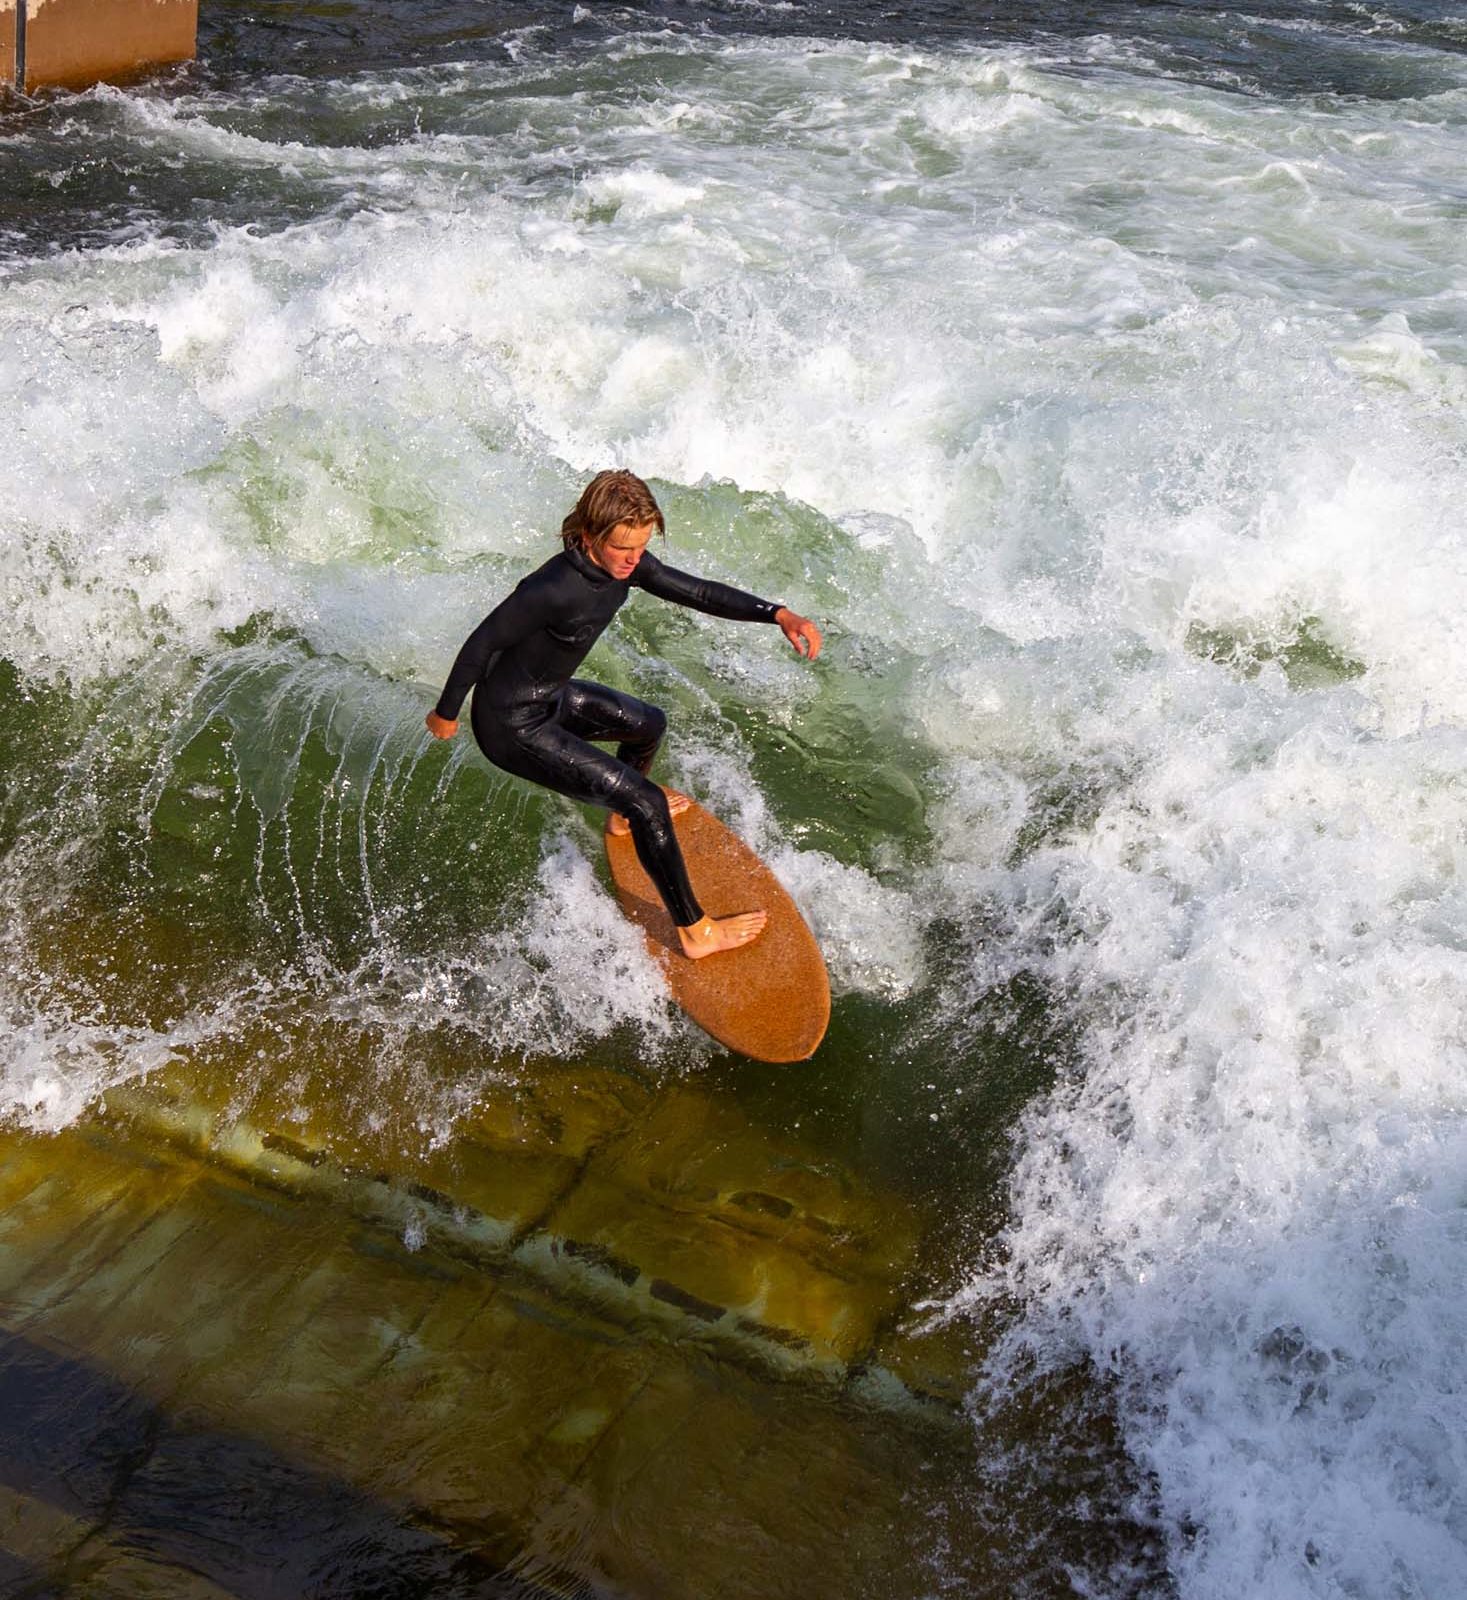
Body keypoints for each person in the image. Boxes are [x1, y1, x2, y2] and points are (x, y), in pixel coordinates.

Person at [425, 470, 823, 958]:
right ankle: (697, 933)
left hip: (547, 697)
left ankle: (619, 817)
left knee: (648, 725)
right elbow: (482, 643)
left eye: (641, 547)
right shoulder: (551, 588)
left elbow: (697, 592)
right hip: (510, 725)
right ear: (590, 536)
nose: (634, 561)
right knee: (649, 802)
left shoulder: (625, 564)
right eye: (623, 549)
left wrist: (777, 613)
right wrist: (447, 712)